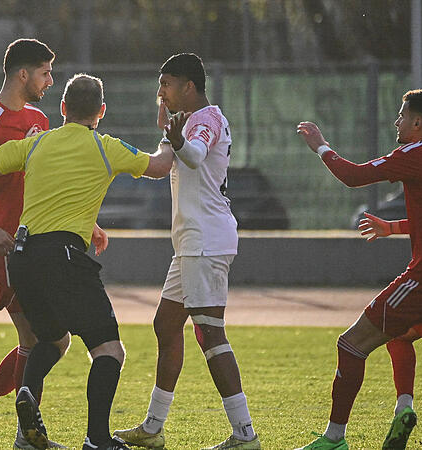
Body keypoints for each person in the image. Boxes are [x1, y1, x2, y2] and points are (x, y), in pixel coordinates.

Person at [0, 73, 176, 450]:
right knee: (109, 350)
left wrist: (17, 152)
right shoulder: (105, 147)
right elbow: (161, 166)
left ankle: (28, 393)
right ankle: (97, 439)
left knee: (51, 339)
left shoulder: (35, 144)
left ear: (62, 108)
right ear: (100, 111)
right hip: (64, 257)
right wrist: (166, 129)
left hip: (21, 256)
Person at [293, 88, 422, 450]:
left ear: (417, 122)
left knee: (350, 345)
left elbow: (353, 176)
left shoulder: (415, 154)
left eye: (401, 115)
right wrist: (391, 227)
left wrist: (320, 145)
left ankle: (334, 439)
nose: (396, 122)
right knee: (400, 335)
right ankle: (403, 408)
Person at [0, 38, 106, 450]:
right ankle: (19, 433)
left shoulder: (37, 116)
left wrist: (89, 224)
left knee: (43, 339)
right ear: (24, 74)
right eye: (45, 73)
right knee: (43, 340)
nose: (51, 81)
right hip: (8, 244)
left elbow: (52, 175)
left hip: (36, 241)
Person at [113, 53, 261, 450]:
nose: (160, 92)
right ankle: (153, 426)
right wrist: (165, 138)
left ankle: (244, 433)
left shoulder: (206, 118)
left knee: (210, 333)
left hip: (206, 241)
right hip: (192, 244)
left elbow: (193, 157)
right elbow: (168, 161)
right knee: (166, 324)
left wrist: (176, 138)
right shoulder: (184, 122)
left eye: (167, 84)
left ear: (188, 87)